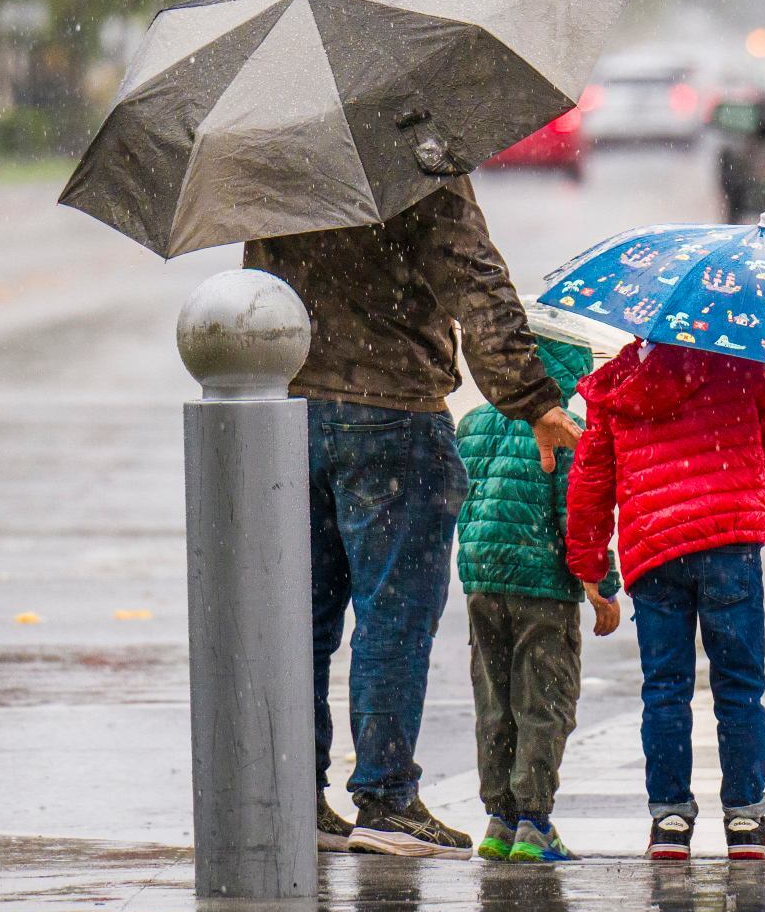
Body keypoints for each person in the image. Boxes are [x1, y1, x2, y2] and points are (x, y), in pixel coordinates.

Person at [245, 177, 580, 858]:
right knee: (392, 615)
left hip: (291, 412)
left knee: (301, 618)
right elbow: (473, 275)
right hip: (392, 408)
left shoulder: (277, 151)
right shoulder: (411, 148)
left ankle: (296, 793)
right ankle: (387, 795)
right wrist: (533, 398)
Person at [565, 339, 765, 861]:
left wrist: (590, 564)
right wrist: (747, 506)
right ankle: (745, 821)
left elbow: (591, 479)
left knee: (665, 689)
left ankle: (669, 820)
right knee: (740, 687)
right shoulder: (738, 362)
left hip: (655, 548)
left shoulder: (618, 383)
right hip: (728, 546)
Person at [454, 333, 621, 863]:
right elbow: (578, 513)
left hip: (481, 579)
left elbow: (462, 497)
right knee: (544, 701)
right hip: (542, 582)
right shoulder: (565, 424)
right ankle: (535, 822)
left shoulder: (475, 420)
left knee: (495, 701)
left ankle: (499, 821)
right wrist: (601, 585)